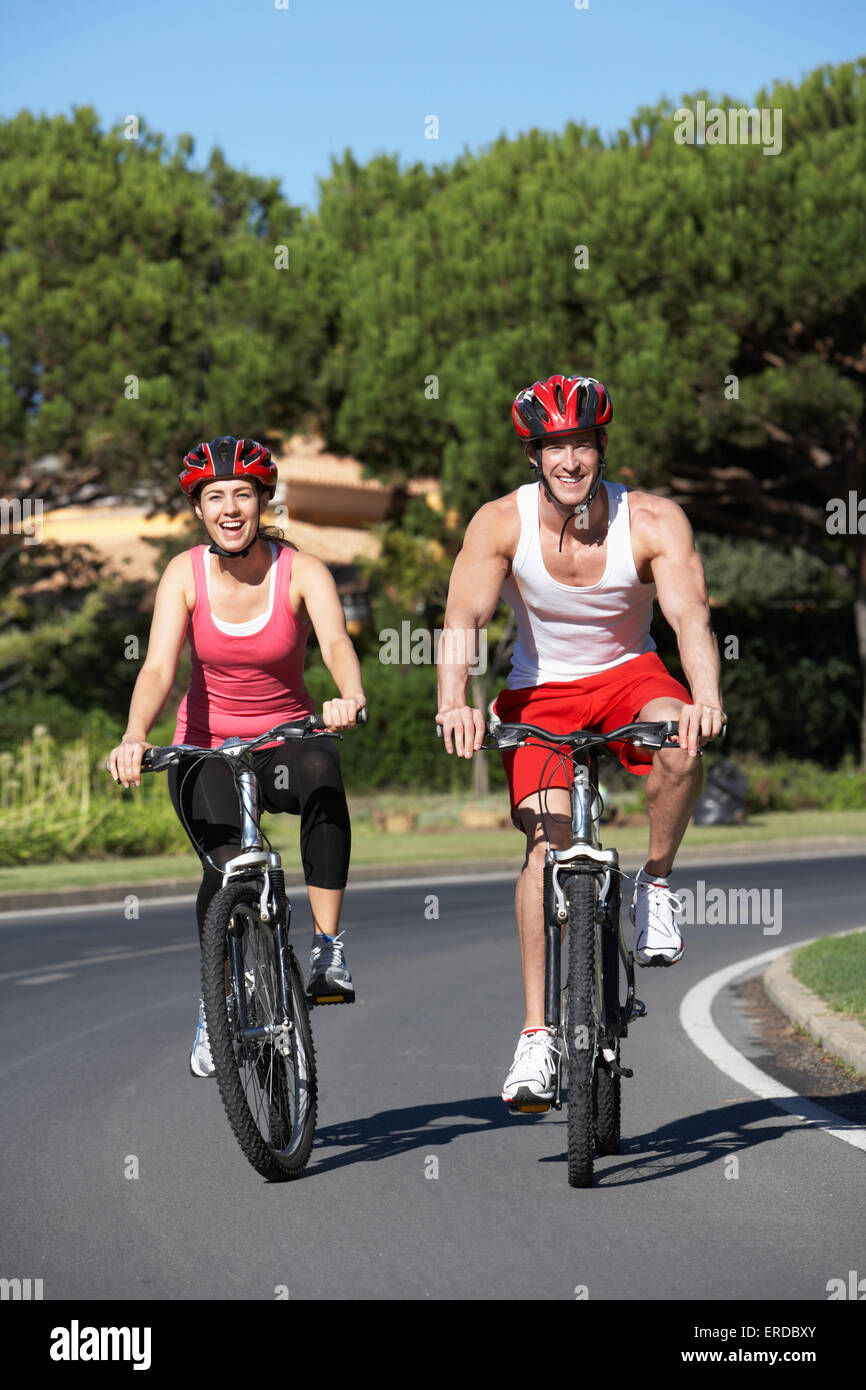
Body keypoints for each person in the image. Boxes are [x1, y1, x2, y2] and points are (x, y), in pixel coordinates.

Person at [436, 375, 725, 1108]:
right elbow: (463, 622)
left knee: (681, 743)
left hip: (631, 674)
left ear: (601, 448)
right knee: (544, 848)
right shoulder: (499, 523)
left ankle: (655, 885)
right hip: (542, 693)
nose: (570, 460)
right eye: (554, 445)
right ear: (535, 454)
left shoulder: (654, 519)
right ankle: (536, 1035)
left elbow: (690, 621)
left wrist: (708, 698)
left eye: (582, 444)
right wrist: (454, 702)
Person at [107, 435, 366, 1076]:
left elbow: (333, 641)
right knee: (224, 871)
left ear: (262, 502)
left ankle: (328, 946)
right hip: (207, 748)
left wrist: (349, 695)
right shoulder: (183, 574)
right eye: (214, 496)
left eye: (242, 495)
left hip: (283, 741)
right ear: (199, 509)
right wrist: (136, 734)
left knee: (320, 772)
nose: (230, 508)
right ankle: (215, 1000)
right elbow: (160, 666)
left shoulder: (300, 571)